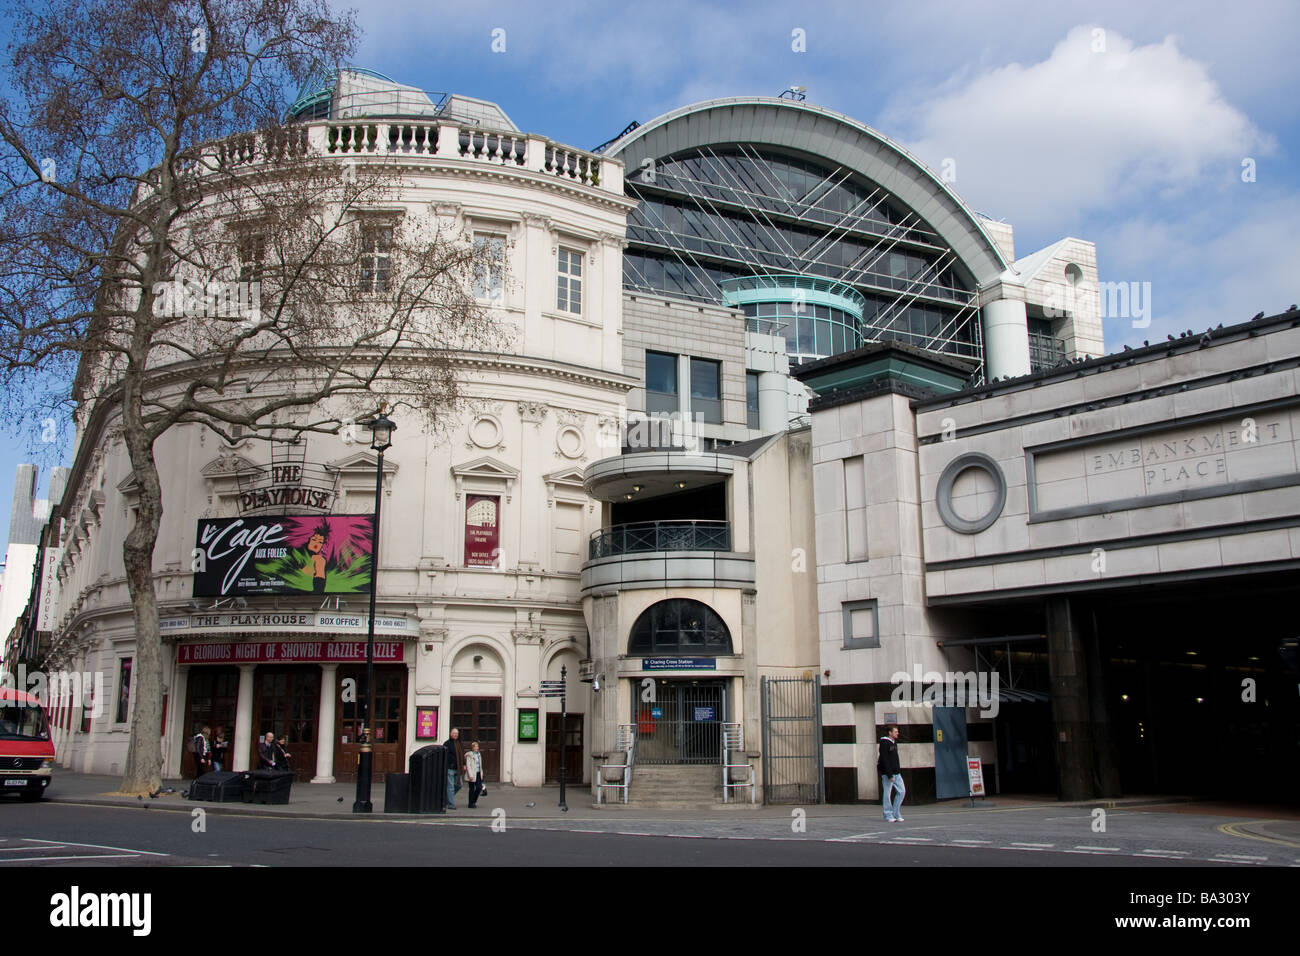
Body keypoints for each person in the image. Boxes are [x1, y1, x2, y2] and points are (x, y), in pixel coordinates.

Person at [878, 724, 905, 822]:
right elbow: (884, 759)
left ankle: (895, 813)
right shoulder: (884, 743)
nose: (898, 733)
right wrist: (889, 774)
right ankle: (888, 814)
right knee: (887, 793)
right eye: (895, 732)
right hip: (888, 773)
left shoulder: (894, 742)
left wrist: (897, 770)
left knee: (902, 791)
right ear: (890, 733)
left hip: (897, 772)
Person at [443, 728, 463, 809]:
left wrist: (463, 764)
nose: (455, 735)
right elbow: (445, 756)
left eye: (457, 733)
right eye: (454, 733)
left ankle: (446, 799)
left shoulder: (459, 743)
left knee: (459, 785)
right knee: (450, 787)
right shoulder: (447, 744)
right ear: (450, 734)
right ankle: (451, 804)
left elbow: (462, 754)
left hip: (458, 768)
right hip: (450, 768)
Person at [465, 741, 484, 809]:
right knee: (472, 789)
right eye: (475, 747)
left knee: (479, 787)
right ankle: (470, 803)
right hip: (472, 774)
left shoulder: (479, 754)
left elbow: (480, 765)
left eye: (477, 747)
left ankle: (473, 801)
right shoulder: (469, 755)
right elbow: (468, 765)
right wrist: (470, 775)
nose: (477, 748)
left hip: (478, 773)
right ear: (472, 748)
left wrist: (481, 774)